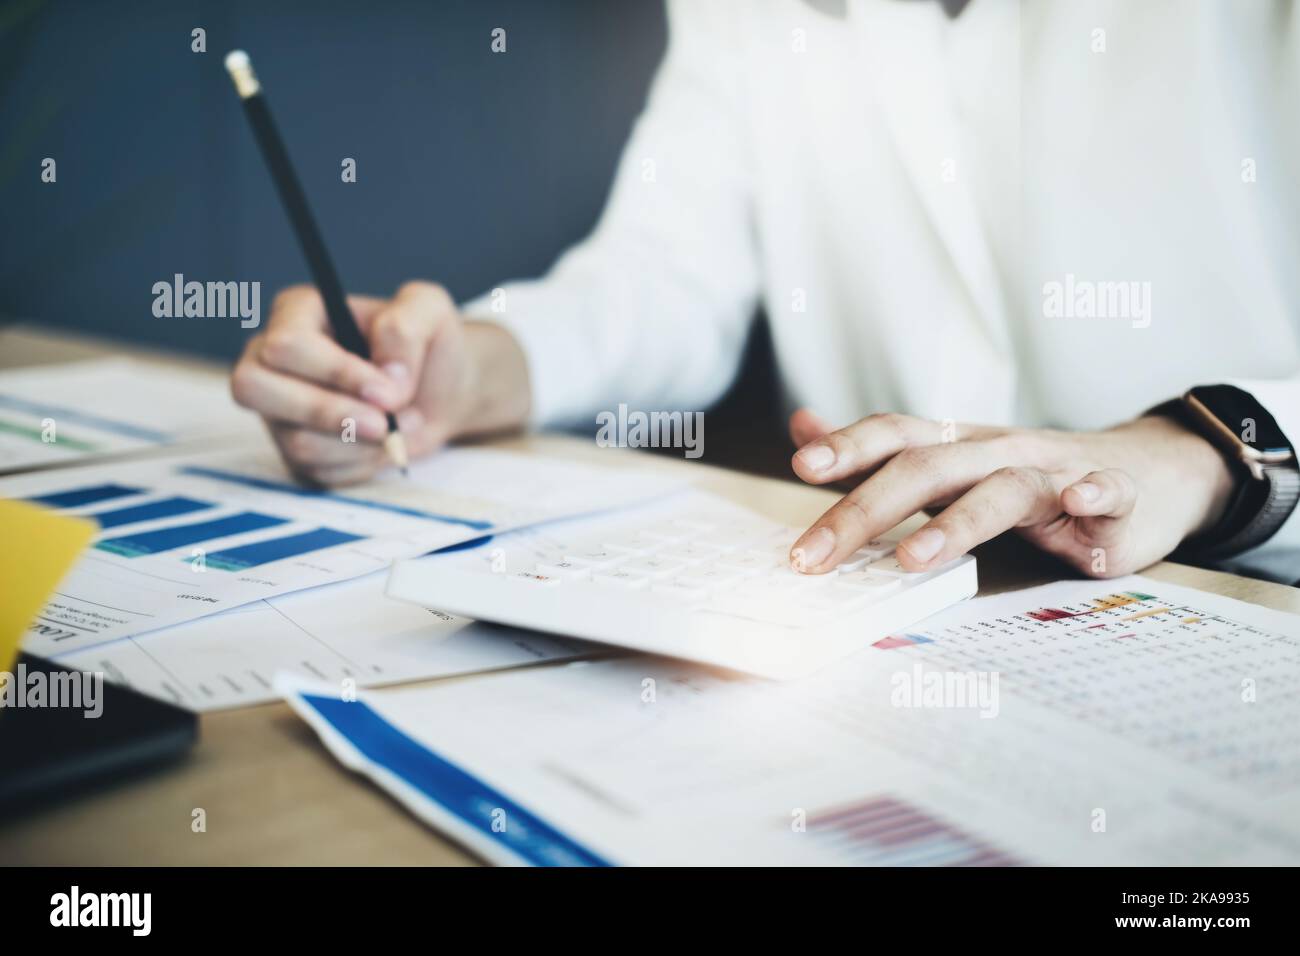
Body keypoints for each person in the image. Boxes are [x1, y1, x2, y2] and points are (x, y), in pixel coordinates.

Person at [230, 0, 1300, 582]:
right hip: (912, 597)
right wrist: (467, 366)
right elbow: (667, 273)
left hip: (1243, 594)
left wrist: (1207, 451)